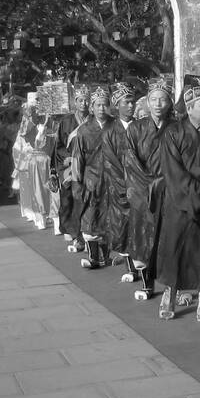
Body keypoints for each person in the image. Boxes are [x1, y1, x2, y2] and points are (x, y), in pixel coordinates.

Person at [157, 76, 200, 323]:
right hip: (181, 203)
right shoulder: (173, 134)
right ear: (189, 107)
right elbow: (173, 173)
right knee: (177, 253)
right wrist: (198, 196)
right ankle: (171, 296)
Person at [122, 78, 175, 301]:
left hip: (171, 190)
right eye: (153, 99)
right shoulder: (136, 128)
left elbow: (182, 160)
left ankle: (173, 287)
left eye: (163, 99)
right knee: (144, 240)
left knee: (169, 240)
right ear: (147, 102)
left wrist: (169, 182)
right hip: (143, 192)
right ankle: (147, 284)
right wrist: (148, 186)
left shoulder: (177, 128)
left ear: (170, 102)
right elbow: (130, 161)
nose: (158, 104)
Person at [73, 87, 114, 270]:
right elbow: (77, 159)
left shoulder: (117, 126)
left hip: (114, 181)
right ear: (92, 107)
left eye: (105, 105)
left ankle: (106, 256)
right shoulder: (84, 130)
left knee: (109, 219)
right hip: (92, 181)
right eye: (98, 105)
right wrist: (77, 183)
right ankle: (92, 257)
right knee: (90, 219)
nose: (102, 109)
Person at [100, 83, 137, 274]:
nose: (131, 106)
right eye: (127, 102)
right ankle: (131, 268)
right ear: (117, 105)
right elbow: (111, 164)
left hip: (142, 187)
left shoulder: (142, 126)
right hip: (120, 188)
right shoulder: (109, 131)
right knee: (124, 227)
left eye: (133, 102)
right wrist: (126, 186)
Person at [54, 85, 90, 243]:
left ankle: (81, 229)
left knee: (84, 198)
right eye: (81, 100)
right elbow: (59, 146)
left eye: (87, 100)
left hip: (88, 164)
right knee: (68, 197)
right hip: (69, 165)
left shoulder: (93, 120)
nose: (84, 104)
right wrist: (67, 157)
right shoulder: (66, 121)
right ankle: (67, 227)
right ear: (75, 102)